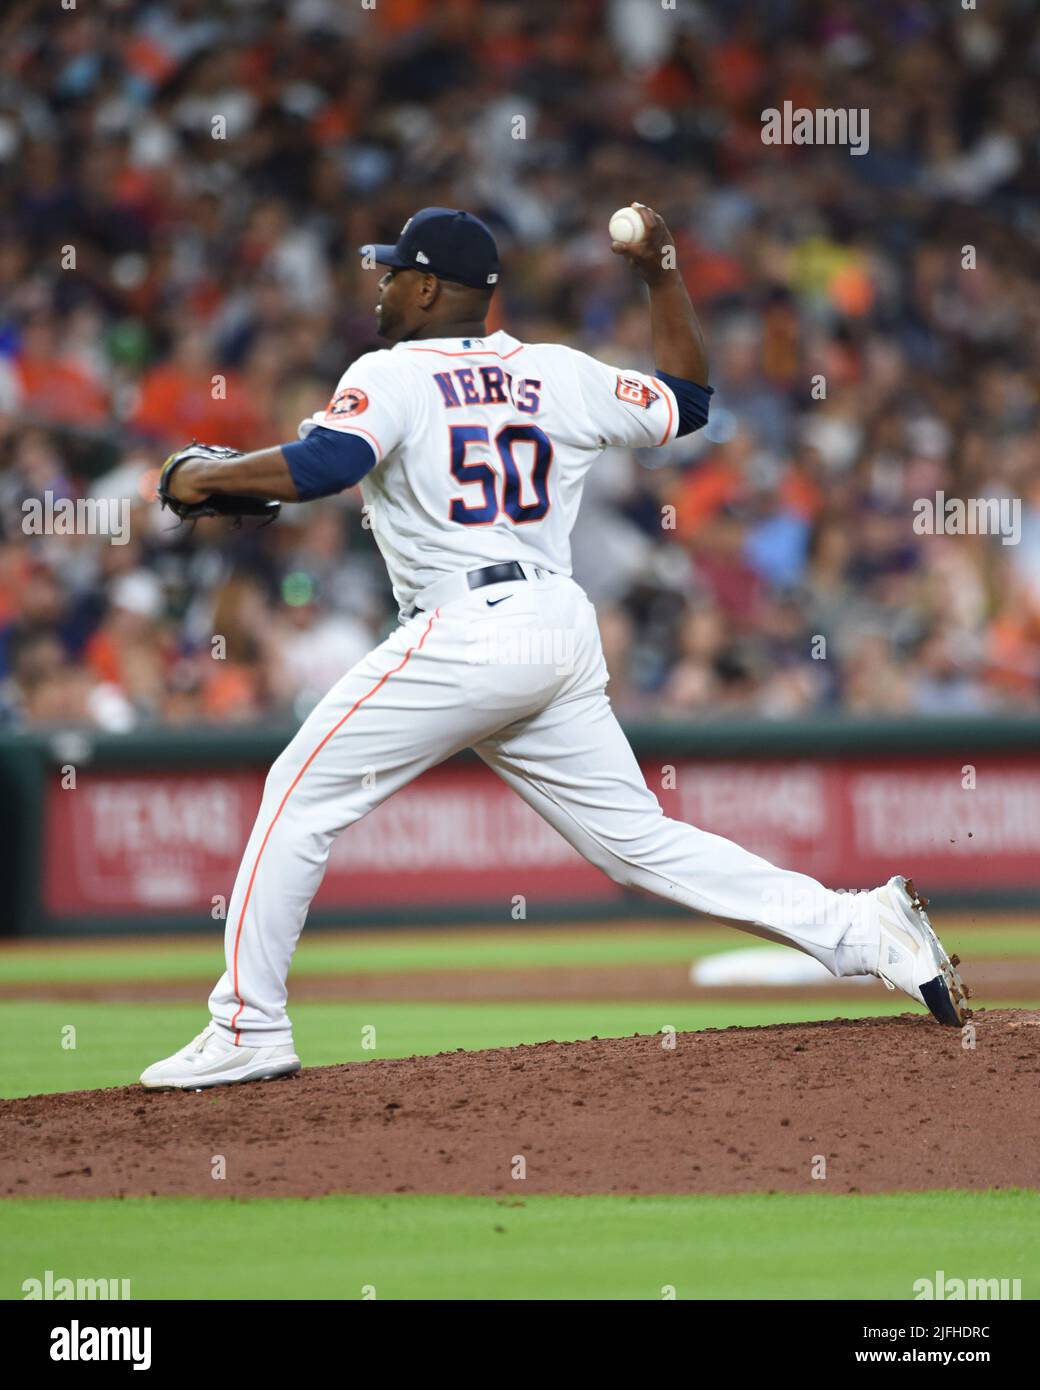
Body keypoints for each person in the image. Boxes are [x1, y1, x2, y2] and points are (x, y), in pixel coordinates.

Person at [141, 205, 969, 1089]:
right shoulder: (556, 371)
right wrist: (660, 275)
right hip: (558, 628)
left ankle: (247, 1024)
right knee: (637, 844)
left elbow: (325, 467)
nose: (379, 286)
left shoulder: (388, 372)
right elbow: (688, 403)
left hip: (468, 630)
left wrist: (203, 474)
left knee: (298, 796)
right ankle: (863, 927)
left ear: (426, 286)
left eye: (391, 273)